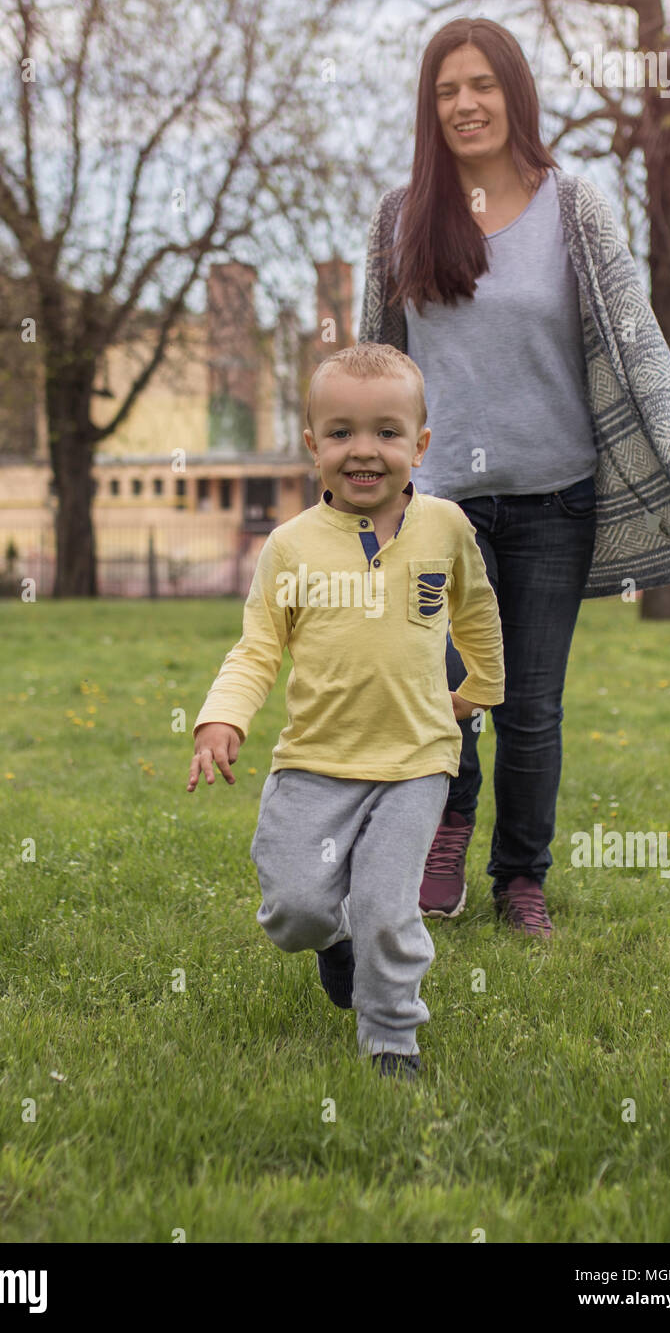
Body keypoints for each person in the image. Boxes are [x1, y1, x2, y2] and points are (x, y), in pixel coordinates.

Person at [359, 16, 670, 937]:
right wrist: (354, 477)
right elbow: (373, 357)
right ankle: (445, 826)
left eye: (481, 84)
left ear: (513, 94)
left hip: (556, 497)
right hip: (437, 506)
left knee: (529, 705)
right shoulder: (402, 216)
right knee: (444, 690)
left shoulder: (572, 206)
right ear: (429, 106)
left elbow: (637, 339)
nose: (464, 104)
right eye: (446, 90)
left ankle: (519, 877)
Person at [188, 342, 504, 1079]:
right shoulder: (290, 547)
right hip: (315, 763)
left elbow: (476, 610)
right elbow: (257, 648)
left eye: (387, 433)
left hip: (415, 760)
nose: (364, 451)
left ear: (419, 444)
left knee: (388, 908)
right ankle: (333, 941)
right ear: (312, 445)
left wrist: (481, 689)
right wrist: (222, 715)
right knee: (293, 909)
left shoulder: (446, 527)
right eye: (341, 433)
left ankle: (391, 1039)